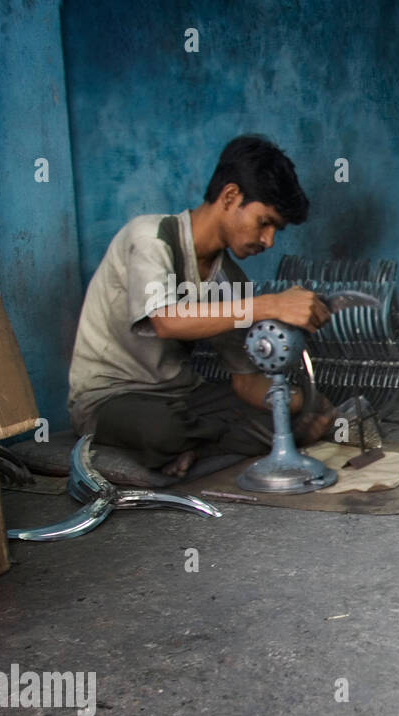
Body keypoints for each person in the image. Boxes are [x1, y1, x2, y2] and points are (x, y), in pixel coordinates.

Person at [67, 135, 335, 478]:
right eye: (264, 222)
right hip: (109, 397)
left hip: (184, 396)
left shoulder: (230, 279)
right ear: (230, 196)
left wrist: (309, 404)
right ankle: (181, 442)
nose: (268, 241)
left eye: (275, 231)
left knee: (277, 422)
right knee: (163, 431)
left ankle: (189, 446)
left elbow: (246, 383)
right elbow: (166, 321)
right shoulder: (150, 237)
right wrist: (268, 305)